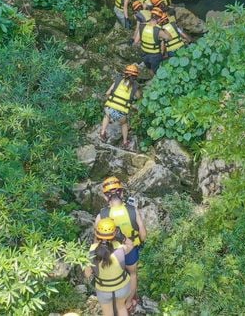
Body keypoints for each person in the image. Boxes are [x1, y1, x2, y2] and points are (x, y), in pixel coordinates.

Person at [96, 177, 147, 311]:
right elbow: (143, 234)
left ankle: (115, 302)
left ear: (105, 196)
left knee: (117, 277)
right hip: (131, 249)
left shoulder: (101, 215)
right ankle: (129, 302)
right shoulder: (132, 210)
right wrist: (140, 241)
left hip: (112, 252)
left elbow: (96, 240)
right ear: (122, 193)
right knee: (133, 275)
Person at [85, 217, 134, 316]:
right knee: (121, 307)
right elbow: (131, 245)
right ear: (115, 233)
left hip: (103, 288)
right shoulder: (120, 248)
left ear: (96, 233)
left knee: (108, 313)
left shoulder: (91, 251)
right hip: (122, 286)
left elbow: (87, 274)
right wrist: (123, 237)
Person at [99, 65, 141, 148]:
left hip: (109, 108)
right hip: (121, 113)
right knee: (124, 124)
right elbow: (139, 98)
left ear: (125, 73)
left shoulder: (118, 80)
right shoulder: (135, 86)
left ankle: (103, 132)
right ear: (135, 76)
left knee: (106, 116)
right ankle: (125, 142)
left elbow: (107, 93)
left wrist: (110, 102)